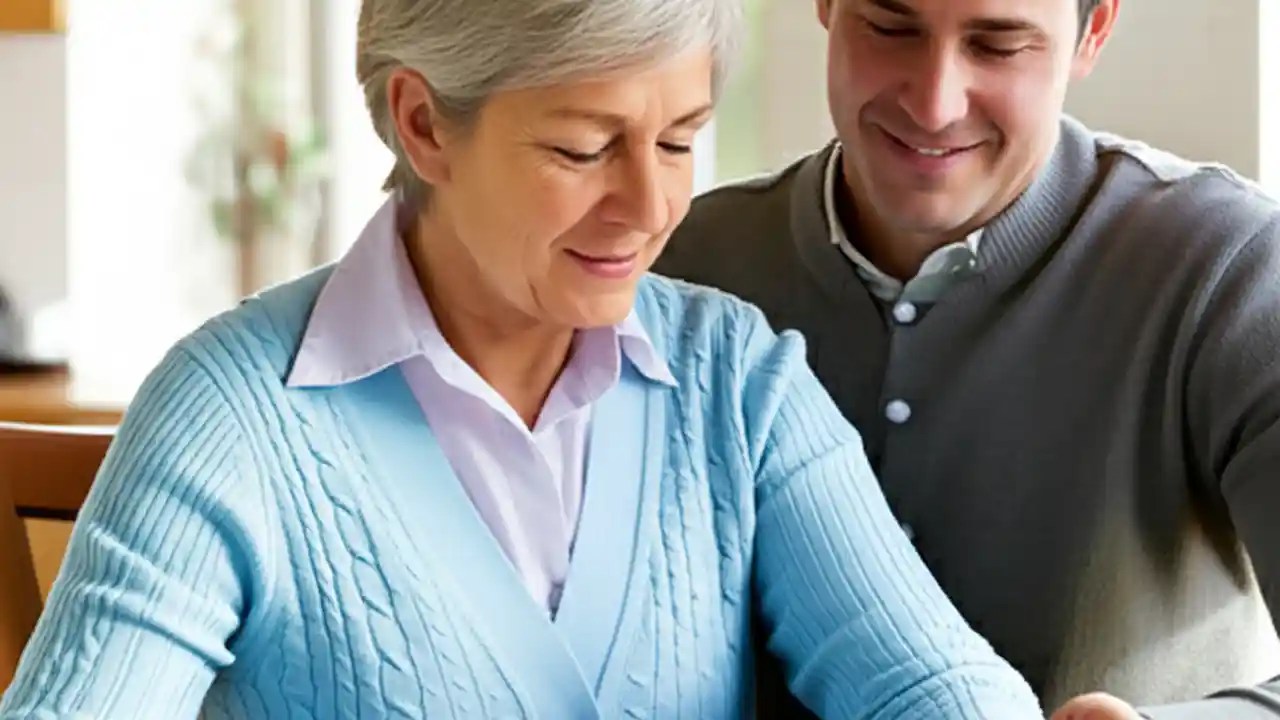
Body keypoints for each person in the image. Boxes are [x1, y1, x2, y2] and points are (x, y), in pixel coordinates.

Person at [0, 1, 1101, 718]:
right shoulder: (231, 416)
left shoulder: (736, 384)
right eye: (582, 149)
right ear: (423, 126)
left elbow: (922, 682)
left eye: (678, 140)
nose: (650, 203)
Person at [654, 0, 1280, 718]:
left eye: (998, 46)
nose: (933, 103)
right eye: (892, 29)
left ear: (1094, 29)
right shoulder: (674, 270)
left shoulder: (1230, 269)